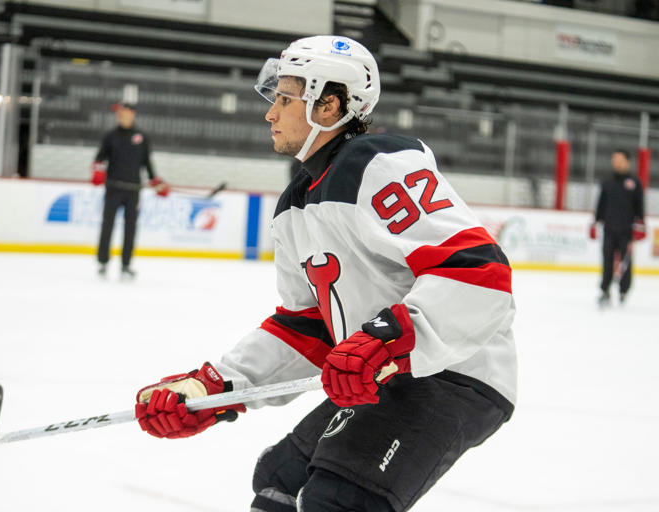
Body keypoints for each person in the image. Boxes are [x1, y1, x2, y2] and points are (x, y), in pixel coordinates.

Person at [133, 36, 516, 511]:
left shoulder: (377, 163)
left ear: (330, 105)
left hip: (451, 371)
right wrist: (215, 386)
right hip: (382, 373)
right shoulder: (294, 205)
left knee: (337, 499)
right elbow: (307, 327)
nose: (270, 113)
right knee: (280, 481)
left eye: (286, 98)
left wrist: (383, 337)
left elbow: (477, 271)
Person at [90, 101, 168, 278]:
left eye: (123, 112)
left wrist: (155, 180)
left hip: (133, 190)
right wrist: (97, 170)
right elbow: (100, 158)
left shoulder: (142, 137)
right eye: (119, 112)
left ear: (132, 114)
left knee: (130, 228)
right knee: (107, 225)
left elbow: (147, 162)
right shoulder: (110, 136)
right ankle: (103, 262)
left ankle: (126, 264)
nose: (120, 115)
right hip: (113, 188)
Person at [590, 149, 645, 307]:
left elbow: (639, 206)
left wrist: (640, 226)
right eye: (614, 160)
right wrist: (596, 221)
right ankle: (605, 290)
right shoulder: (607, 182)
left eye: (620, 159)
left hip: (627, 230)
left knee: (626, 262)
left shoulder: (634, 183)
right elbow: (601, 203)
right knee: (606, 260)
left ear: (627, 161)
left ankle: (623, 290)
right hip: (609, 228)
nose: (616, 162)